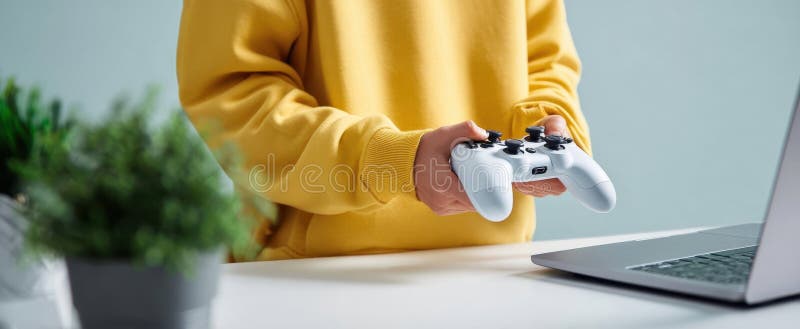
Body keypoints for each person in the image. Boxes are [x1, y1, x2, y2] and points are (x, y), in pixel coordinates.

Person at [177, 0, 592, 260]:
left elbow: (543, 59)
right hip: (317, 278)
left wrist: (546, 128)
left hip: (494, 263)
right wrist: (390, 161)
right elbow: (233, 92)